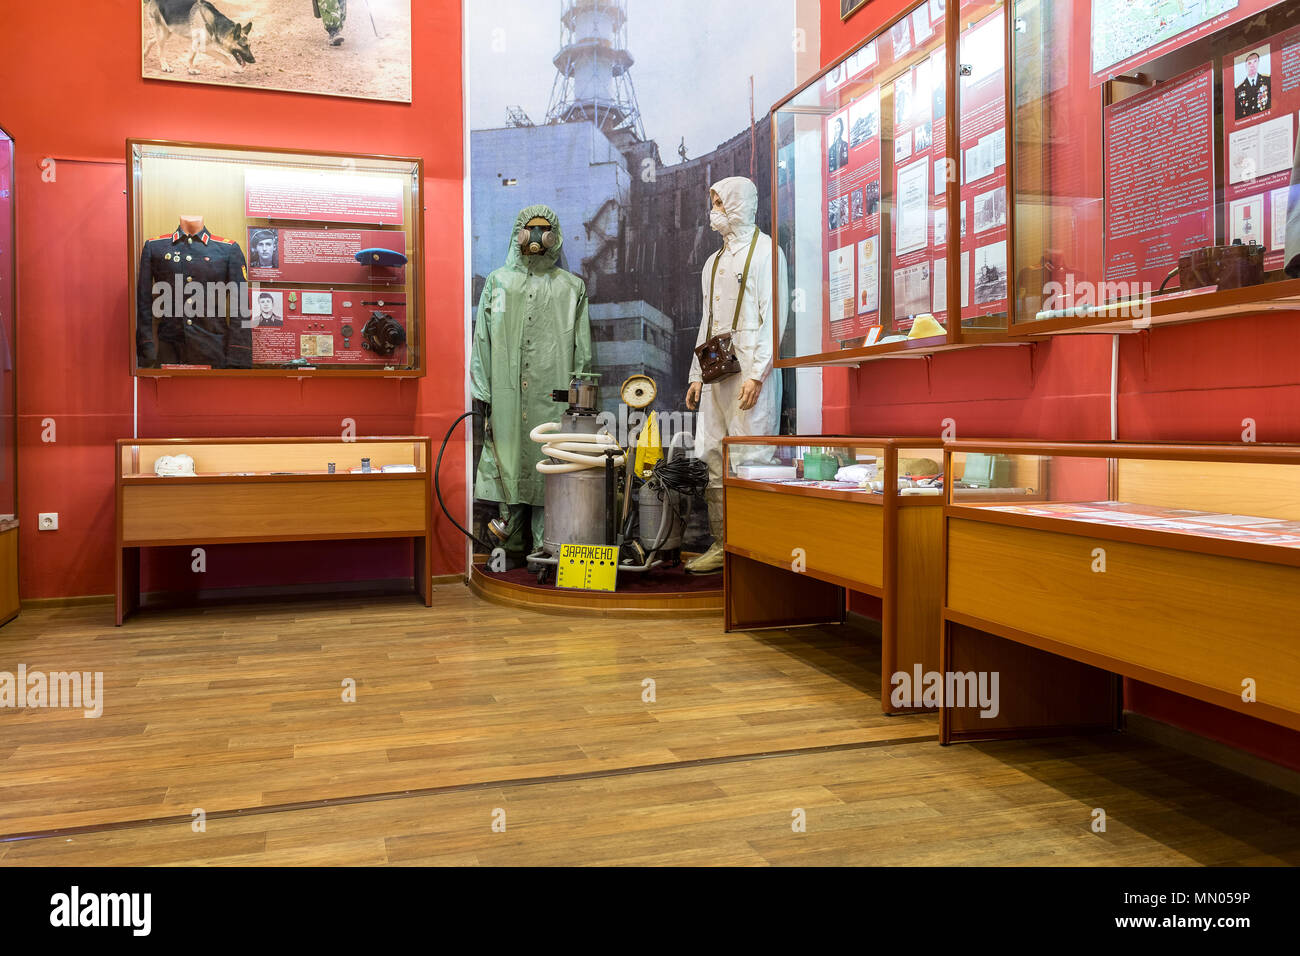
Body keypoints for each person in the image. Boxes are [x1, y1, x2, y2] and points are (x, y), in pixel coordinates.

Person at [471, 204, 593, 556]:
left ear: (553, 235)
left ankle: (546, 544)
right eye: (530, 228)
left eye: (544, 229)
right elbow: (482, 341)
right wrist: (482, 388)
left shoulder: (571, 288)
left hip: (552, 396)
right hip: (506, 395)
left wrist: (580, 397)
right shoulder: (498, 282)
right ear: (518, 233)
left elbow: (582, 347)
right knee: (507, 463)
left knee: (549, 465)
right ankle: (509, 543)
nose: (536, 236)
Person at [683, 177, 789, 574]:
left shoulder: (766, 254)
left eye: (720, 202)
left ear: (738, 204)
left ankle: (750, 546)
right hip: (716, 372)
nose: (714, 211)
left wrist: (758, 373)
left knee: (750, 454)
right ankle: (720, 543)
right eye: (712, 202)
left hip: (749, 371)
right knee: (713, 452)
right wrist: (697, 375)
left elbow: (774, 318)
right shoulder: (712, 263)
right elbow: (705, 322)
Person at [1235, 52, 1271, 119]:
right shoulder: (1238, 90)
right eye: (1249, 63)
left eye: (1255, 61)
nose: (1252, 65)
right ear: (1245, 65)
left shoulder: (1268, 81)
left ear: (1258, 63)